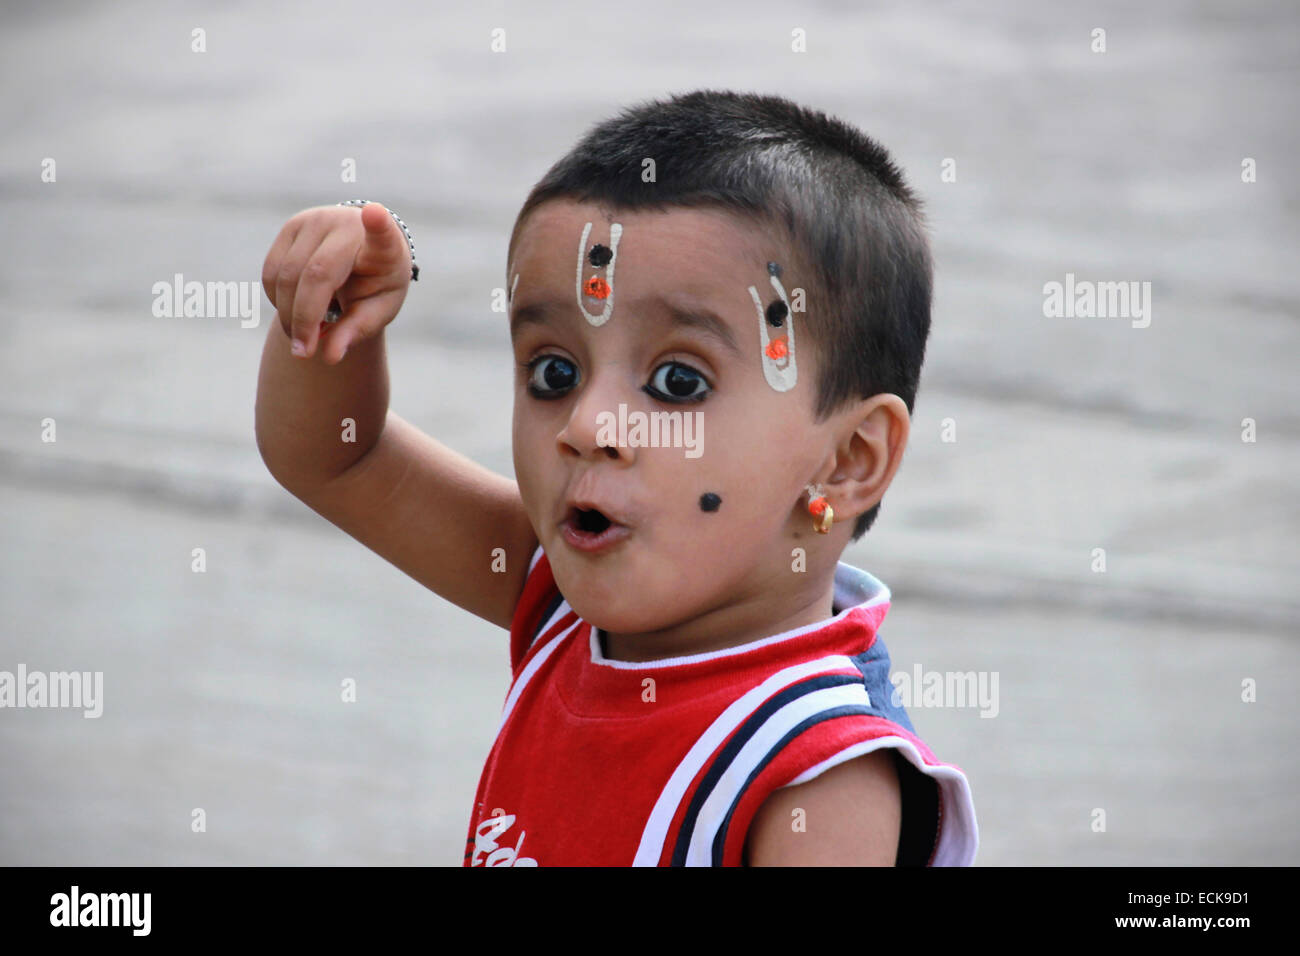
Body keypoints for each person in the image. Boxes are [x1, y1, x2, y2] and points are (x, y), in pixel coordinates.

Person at [256, 89, 978, 866]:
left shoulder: (816, 773)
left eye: (677, 384)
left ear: (848, 461)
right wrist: (337, 312)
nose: (589, 426)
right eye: (554, 371)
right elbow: (337, 457)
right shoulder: (556, 605)